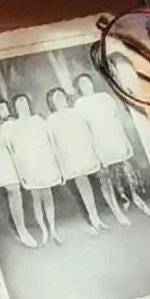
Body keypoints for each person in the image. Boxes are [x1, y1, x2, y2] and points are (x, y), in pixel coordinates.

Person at [73, 73, 150, 222]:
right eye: (82, 84)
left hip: (116, 140)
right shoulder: (80, 104)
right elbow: (84, 129)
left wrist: (126, 142)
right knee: (107, 179)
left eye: (88, 82)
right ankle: (118, 209)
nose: (86, 86)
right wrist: (93, 150)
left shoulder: (105, 98)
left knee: (127, 172)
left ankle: (137, 200)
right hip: (99, 145)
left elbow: (116, 120)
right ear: (79, 88)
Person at [0, 93, 64, 245]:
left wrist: (56, 162)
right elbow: (14, 150)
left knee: (48, 196)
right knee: (36, 198)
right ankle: (44, 230)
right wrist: (21, 171)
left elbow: (49, 141)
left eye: (25, 103)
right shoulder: (13, 126)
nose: (23, 106)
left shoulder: (38, 120)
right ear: (15, 108)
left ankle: (53, 229)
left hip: (44, 164)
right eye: (19, 104)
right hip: (29, 167)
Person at [44, 87, 107, 234]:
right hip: (69, 160)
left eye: (62, 96)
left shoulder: (76, 113)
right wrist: (60, 166)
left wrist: (95, 153)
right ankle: (90, 222)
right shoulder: (51, 120)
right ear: (52, 103)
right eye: (56, 99)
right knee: (81, 191)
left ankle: (96, 219)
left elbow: (87, 132)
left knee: (92, 188)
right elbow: (53, 144)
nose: (61, 100)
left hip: (85, 155)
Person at [0, 101, 37, 248]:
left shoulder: (13, 123)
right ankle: (22, 230)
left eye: (4, 108)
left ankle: (30, 224)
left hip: (16, 158)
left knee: (24, 189)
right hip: (1, 160)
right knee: (13, 191)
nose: (2, 111)